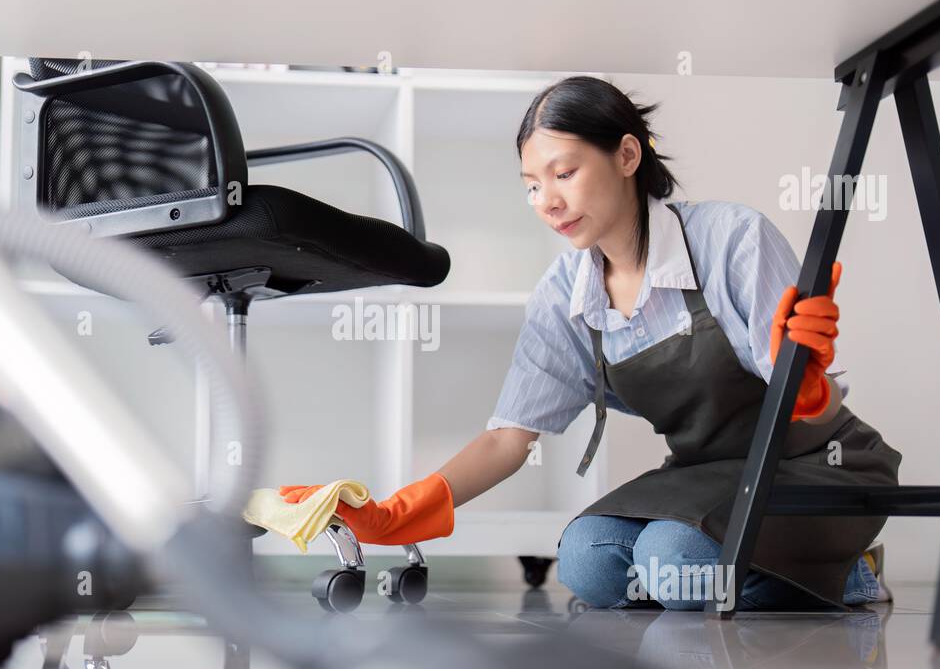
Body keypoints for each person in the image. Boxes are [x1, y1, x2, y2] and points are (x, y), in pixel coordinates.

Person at [281, 76, 901, 611]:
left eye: (564, 173)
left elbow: (811, 391)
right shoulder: (567, 295)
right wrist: (399, 512)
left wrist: (805, 378)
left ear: (627, 155)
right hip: (711, 474)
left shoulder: (730, 238)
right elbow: (508, 437)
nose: (546, 201)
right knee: (587, 561)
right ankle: (739, 577)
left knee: (671, 559)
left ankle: (848, 575)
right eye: (530, 184)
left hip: (816, 465)